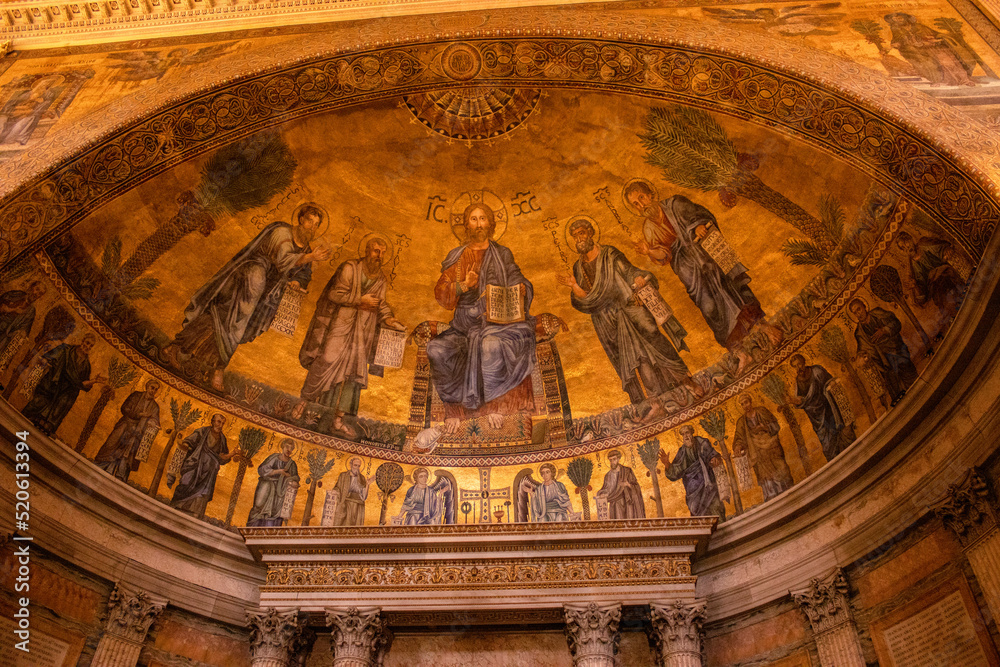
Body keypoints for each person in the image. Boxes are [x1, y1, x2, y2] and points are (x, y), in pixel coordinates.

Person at [165, 205, 331, 391]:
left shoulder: (306, 248)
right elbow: (282, 260)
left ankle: (210, 367)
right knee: (222, 318)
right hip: (247, 283)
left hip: (266, 296)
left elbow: (303, 274)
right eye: (309, 221)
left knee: (242, 329)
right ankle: (178, 349)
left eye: (316, 225)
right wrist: (309, 257)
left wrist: (297, 283)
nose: (312, 227)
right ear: (301, 219)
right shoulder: (281, 232)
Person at [559, 218, 697, 422]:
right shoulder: (578, 268)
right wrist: (574, 286)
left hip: (630, 307)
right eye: (575, 236)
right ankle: (654, 403)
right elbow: (586, 298)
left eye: (582, 233)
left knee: (654, 338)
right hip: (608, 321)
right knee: (636, 359)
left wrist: (638, 278)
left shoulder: (609, 254)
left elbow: (629, 270)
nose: (579, 238)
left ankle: (686, 380)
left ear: (590, 233)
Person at [625, 180, 770, 364]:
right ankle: (740, 352)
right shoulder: (648, 228)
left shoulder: (676, 204)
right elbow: (664, 255)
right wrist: (649, 251)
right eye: (636, 204)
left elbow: (701, 215)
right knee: (708, 307)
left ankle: (764, 326)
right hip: (688, 270)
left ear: (651, 194)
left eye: (641, 198)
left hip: (706, 254)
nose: (641, 205)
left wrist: (698, 226)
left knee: (732, 286)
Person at [427, 202, 536, 433]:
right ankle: (454, 411)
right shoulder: (457, 256)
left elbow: (519, 279)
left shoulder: (502, 253)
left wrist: (521, 288)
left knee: (490, 345)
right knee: (437, 349)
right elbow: (441, 292)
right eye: (473, 219)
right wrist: (463, 286)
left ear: (491, 223)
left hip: (499, 322)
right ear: (466, 224)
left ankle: (495, 405)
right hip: (464, 325)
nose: (478, 224)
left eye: (483, 218)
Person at [296, 237, 405, 437]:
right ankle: (303, 402)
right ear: (366, 250)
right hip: (341, 323)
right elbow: (334, 294)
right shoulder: (350, 268)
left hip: (363, 330)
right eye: (375, 251)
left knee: (353, 376)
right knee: (326, 359)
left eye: (382, 252)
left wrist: (389, 318)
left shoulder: (380, 279)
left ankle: (338, 420)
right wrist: (359, 300)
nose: (378, 256)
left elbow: (380, 303)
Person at [23, 333, 106, 435]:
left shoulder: (86, 365)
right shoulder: (65, 349)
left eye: (90, 345)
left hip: (65, 395)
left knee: (50, 421)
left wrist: (93, 381)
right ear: (82, 340)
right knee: (35, 408)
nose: (87, 346)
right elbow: (47, 358)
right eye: (87, 343)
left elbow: (82, 384)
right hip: (51, 386)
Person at [849, 298, 917, 405]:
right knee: (896, 392)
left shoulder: (878, 313)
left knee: (911, 380)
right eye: (855, 312)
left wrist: (884, 330)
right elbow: (863, 349)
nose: (858, 313)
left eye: (859, 309)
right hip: (884, 363)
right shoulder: (859, 333)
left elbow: (896, 323)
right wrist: (862, 358)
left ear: (864, 306)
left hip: (897, 351)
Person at [790, 354, 856, 462]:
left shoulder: (817, 371)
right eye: (795, 366)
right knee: (828, 444)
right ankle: (837, 463)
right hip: (817, 417)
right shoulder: (798, 381)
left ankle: (852, 455)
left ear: (804, 362)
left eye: (799, 364)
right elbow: (802, 400)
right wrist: (794, 401)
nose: (798, 368)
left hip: (830, 408)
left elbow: (830, 381)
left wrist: (831, 384)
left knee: (842, 433)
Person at [94, 379, 161, 482]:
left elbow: (156, 420)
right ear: (147, 386)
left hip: (137, 433)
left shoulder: (155, 406)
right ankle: (105, 467)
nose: (153, 391)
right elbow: (124, 408)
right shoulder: (136, 395)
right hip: (126, 424)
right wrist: (139, 415)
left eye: (156, 390)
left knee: (128, 452)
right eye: (152, 388)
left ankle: (120, 475)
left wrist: (152, 422)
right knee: (112, 444)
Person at [170, 413, 234, 519]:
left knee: (202, 493)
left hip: (209, 473)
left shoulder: (222, 438)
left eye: (223, 423)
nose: (220, 425)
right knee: (186, 482)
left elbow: (222, 458)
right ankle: (177, 505)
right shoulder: (203, 431)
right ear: (212, 421)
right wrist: (185, 444)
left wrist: (231, 455)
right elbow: (190, 440)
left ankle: (194, 512)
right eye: (218, 422)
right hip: (195, 464)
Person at [885, 13, 976, 87]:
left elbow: (935, 34)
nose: (898, 21)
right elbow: (898, 41)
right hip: (919, 51)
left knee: (950, 62)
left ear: (906, 18)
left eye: (900, 18)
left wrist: (938, 38)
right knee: (929, 64)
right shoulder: (897, 30)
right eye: (895, 19)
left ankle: (965, 80)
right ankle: (938, 80)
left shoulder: (919, 27)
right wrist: (897, 44)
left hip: (934, 48)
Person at [732, 394, 794, 501]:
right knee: (764, 475)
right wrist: (737, 446)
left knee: (781, 467)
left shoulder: (762, 411)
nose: (745, 406)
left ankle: (786, 489)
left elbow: (776, 426)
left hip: (772, 447)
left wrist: (765, 428)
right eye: (742, 404)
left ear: (750, 402)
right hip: (757, 452)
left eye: (746, 402)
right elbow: (739, 438)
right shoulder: (741, 422)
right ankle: (771, 495)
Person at [660, 425, 727, 520]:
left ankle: (721, 524)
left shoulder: (703, 443)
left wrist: (714, 459)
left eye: (687, 433)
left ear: (692, 433)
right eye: (683, 435)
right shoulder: (681, 452)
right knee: (697, 511)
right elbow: (675, 473)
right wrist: (667, 463)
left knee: (715, 506)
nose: (685, 436)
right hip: (692, 490)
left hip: (709, 484)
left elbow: (712, 454)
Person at [895, 231, 964, 320]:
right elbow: (923, 293)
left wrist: (946, 250)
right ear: (902, 251)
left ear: (911, 239)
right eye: (903, 247)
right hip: (937, 291)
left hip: (947, 276)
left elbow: (940, 247)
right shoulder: (912, 268)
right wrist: (915, 286)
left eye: (906, 242)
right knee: (945, 304)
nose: (907, 247)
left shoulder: (924, 244)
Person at [246, 438, 300, 527]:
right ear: (283, 446)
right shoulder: (274, 457)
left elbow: (296, 477)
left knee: (275, 514)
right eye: (287, 447)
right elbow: (262, 470)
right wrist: (278, 471)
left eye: (291, 448)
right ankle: (251, 529)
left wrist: (292, 481)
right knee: (258, 507)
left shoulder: (292, 464)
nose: (288, 450)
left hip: (281, 493)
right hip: (267, 487)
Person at [0, 281, 45, 358]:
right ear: (31, 287)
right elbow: (2, 304)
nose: (36, 294)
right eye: (37, 289)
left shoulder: (31, 311)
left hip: (5, 336)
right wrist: (13, 309)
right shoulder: (16, 294)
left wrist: (22, 333)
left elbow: (25, 328)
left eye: (40, 293)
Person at [595, 449, 646, 519]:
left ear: (618, 459)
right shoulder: (608, 475)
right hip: (615, 504)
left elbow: (636, 486)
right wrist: (602, 494)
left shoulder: (627, 471)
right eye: (610, 460)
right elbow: (605, 489)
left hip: (627, 503)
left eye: (614, 459)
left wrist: (627, 484)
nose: (612, 462)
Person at [331, 457, 373, 526]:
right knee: (344, 524)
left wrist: (367, 485)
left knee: (354, 525)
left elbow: (364, 496)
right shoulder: (343, 476)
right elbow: (337, 487)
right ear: (351, 465)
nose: (357, 468)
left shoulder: (362, 478)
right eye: (355, 465)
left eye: (358, 466)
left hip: (358, 505)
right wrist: (335, 491)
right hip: (346, 503)